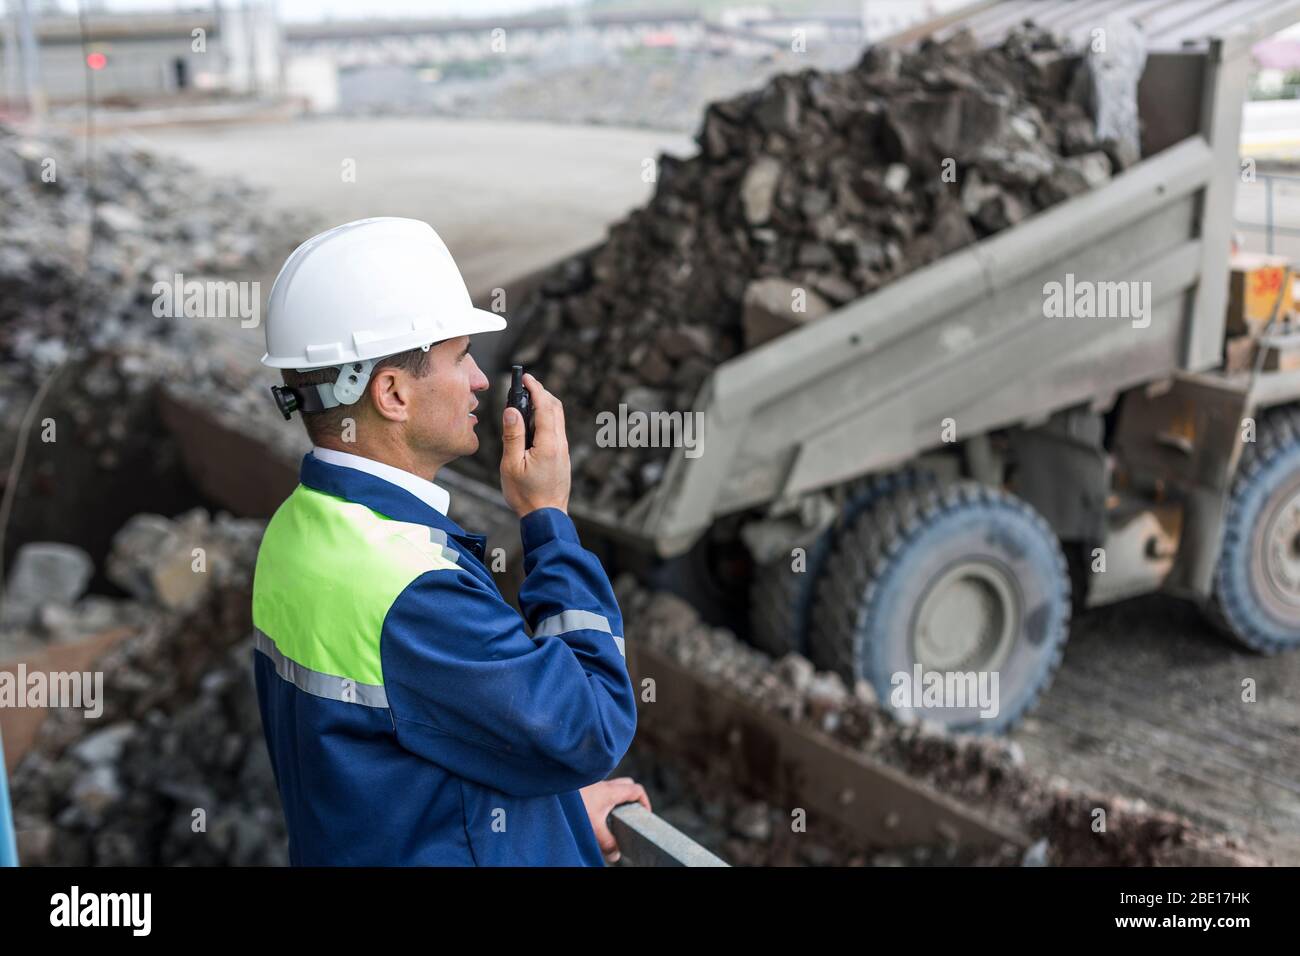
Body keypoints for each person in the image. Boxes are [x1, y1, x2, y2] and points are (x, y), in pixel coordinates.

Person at [251, 217, 644, 865]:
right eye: (459, 357)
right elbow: (590, 728)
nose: (481, 382)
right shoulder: (414, 588)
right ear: (394, 393)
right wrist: (547, 518)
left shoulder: (298, 530)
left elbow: (416, 755)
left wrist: (558, 816)